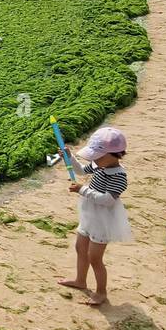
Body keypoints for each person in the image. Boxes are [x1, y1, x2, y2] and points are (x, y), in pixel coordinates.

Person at [57, 127, 132, 306]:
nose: (94, 160)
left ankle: (101, 292)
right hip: (89, 213)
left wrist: (82, 189)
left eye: (97, 155)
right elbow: (82, 171)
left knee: (94, 258)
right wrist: (69, 158)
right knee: (80, 248)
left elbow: (107, 200)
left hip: (103, 219)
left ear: (115, 155)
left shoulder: (119, 176)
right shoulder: (100, 164)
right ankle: (80, 280)